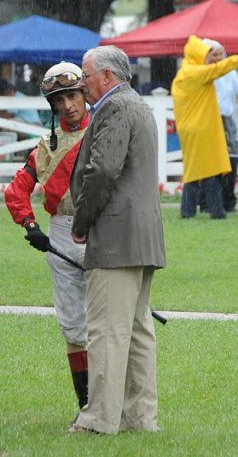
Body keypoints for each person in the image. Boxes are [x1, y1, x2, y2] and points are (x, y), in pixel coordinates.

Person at [68, 45, 166, 435]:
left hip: (115, 234)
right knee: (138, 331)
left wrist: (81, 218)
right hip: (143, 236)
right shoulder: (138, 105)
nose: (81, 83)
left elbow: (103, 169)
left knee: (107, 330)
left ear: (107, 76)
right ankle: (139, 418)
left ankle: (99, 420)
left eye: (85, 75)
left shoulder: (114, 108)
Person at [4, 62, 90, 412]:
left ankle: (112, 400)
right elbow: (16, 191)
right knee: (73, 326)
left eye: (72, 96)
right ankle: (86, 406)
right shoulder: (45, 147)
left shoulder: (105, 130)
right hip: (60, 233)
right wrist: (30, 226)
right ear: (52, 106)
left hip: (103, 232)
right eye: (59, 100)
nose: (68, 105)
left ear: (84, 93)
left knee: (109, 322)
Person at [172, 36, 238, 219]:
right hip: (202, 127)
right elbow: (219, 69)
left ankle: (188, 211)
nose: (209, 58)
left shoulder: (183, 74)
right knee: (212, 169)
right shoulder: (197, 73)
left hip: (189, 128)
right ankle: (216, 210)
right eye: (205, 54)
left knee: (193, 171)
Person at [206, 40, 238, 212]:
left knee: (232, 157)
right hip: (209, 120)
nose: (218, 58)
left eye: (220, 54)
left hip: (226, 119)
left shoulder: (230, 73)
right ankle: (209, 201)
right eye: (214, 55)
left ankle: (228, 199)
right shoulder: (205, 73)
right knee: (211, 161)